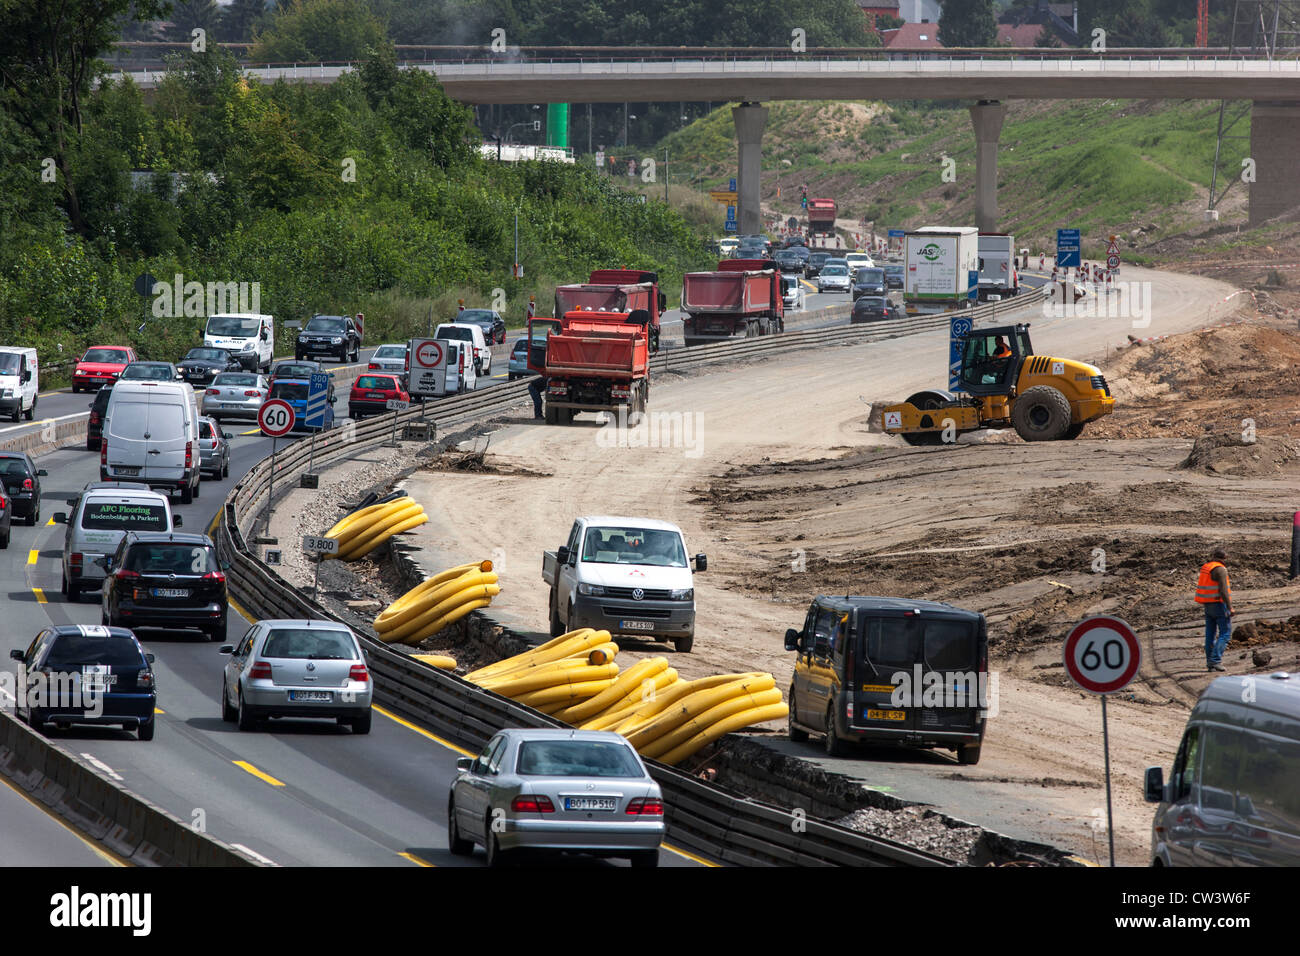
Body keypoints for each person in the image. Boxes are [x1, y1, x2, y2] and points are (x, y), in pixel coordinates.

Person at [1195, 548, 1233, 672]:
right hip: (1218, 604)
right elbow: (1223, 591)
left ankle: (1209, 662)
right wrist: (1230, 607)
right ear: (1224, 558)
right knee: (1225, 633)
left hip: (1207, 604)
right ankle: (1215, 660)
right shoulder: (1220, 569)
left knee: (1210, 634)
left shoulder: (1207, 567)